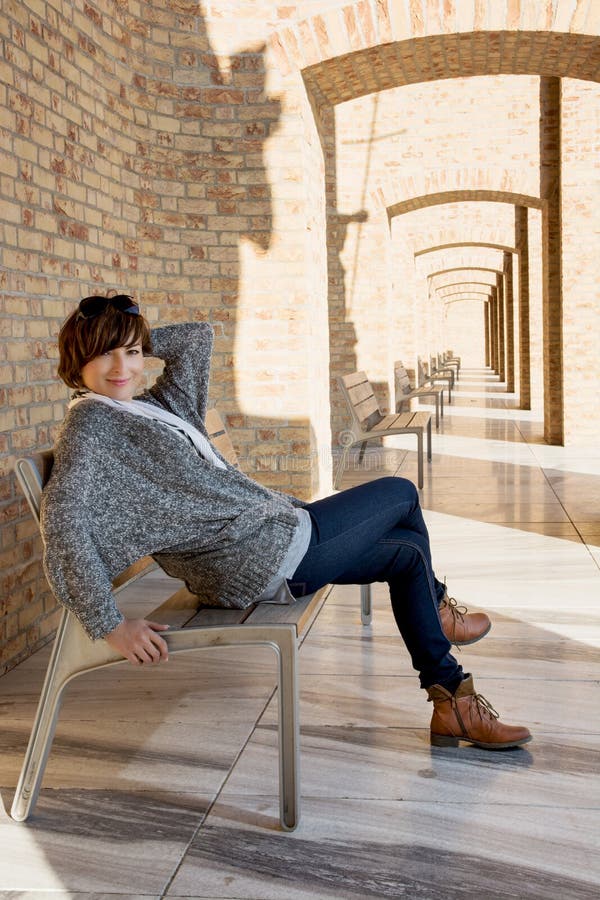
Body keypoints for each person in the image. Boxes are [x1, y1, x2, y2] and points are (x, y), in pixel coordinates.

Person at [42, 293, 532, 751]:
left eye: (131, 353)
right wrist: (109, 625)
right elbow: (62, 524)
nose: (123, 367)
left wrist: (135, 334)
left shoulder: (148, 407)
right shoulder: (92, 426)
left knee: (407, 555)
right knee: (401, 493)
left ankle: (452, 702)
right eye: (105, 355)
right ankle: (440, 612)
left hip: (265, 542)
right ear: (76, 360)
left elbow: (197, 337)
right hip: (256, 557)